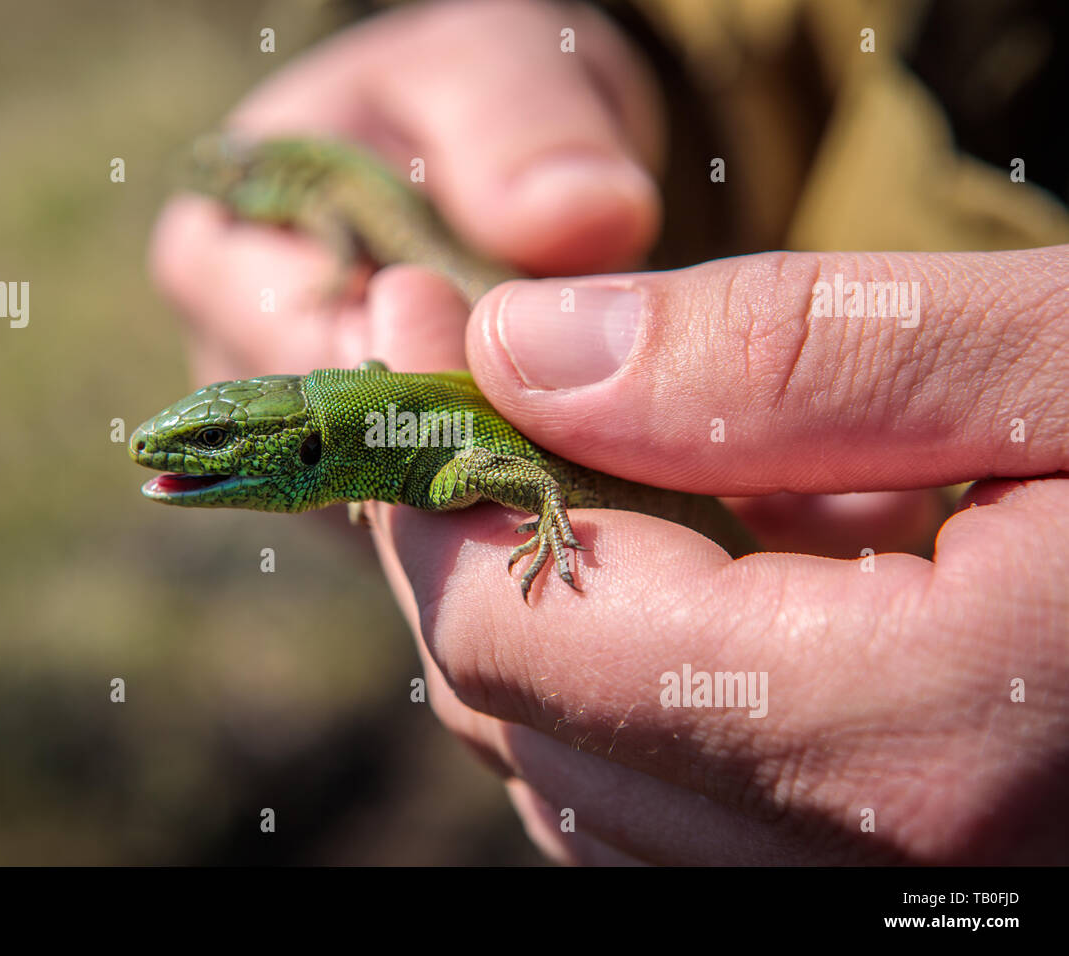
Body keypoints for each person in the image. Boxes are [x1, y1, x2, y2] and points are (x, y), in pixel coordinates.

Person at [147, 0, 1069, 863]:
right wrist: (613, 34)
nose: (175, 452)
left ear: (306, 448)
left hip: (776, 520)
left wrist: (547, 518)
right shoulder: (375, 439)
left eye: (218, 442)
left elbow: (504, 464)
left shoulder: (433, 476)